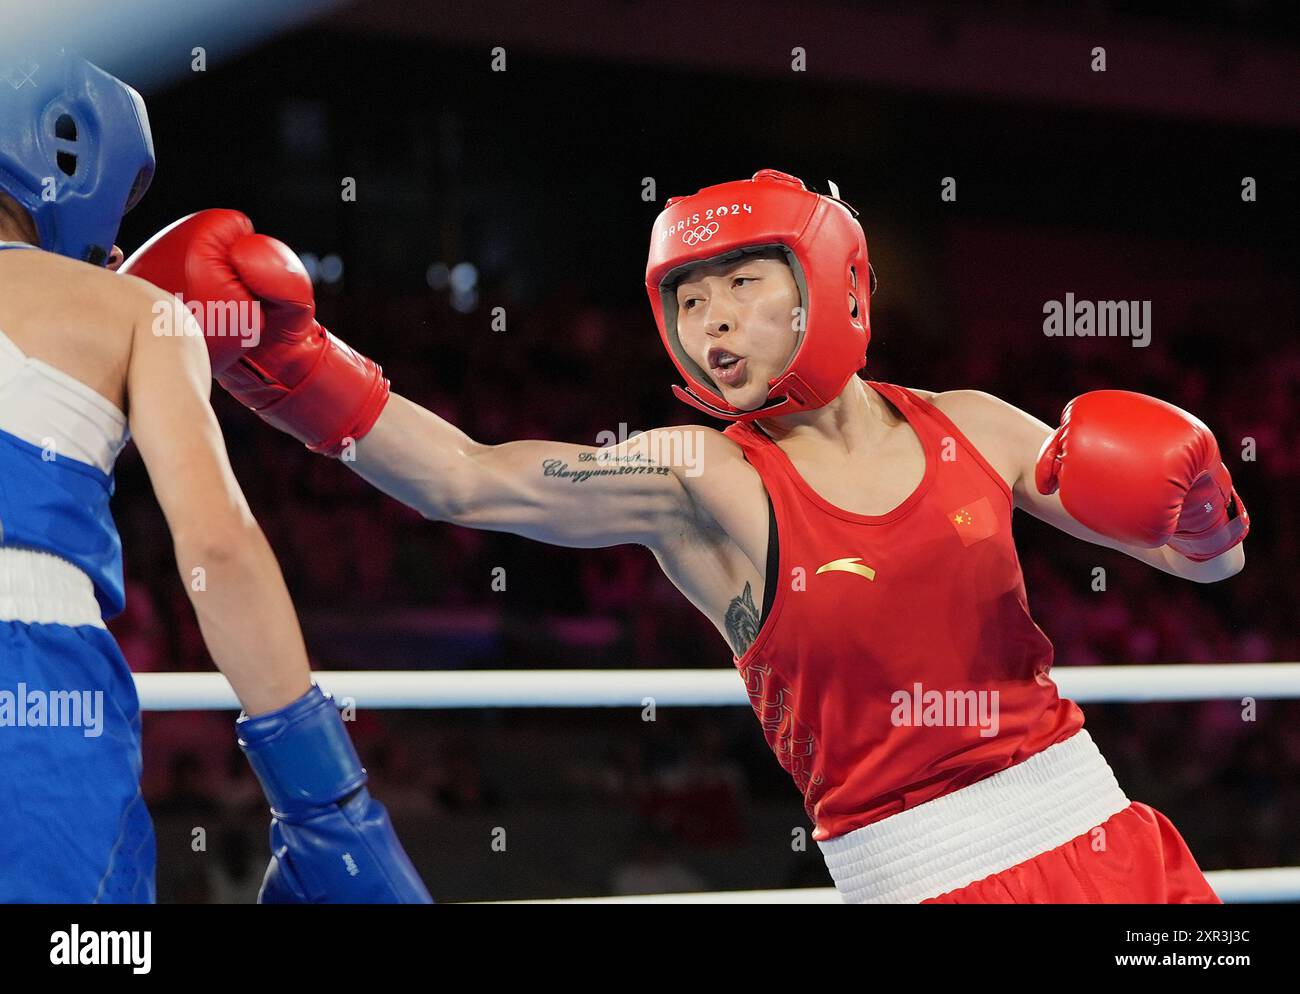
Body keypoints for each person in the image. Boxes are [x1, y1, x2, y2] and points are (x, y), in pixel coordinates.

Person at [125, 168, 1248, 903]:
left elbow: (1203, 560)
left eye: (741, 284)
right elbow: (468, 479)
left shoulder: (973, 422)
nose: (711, 320)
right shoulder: (707, 477)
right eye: (688, 298)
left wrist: (1202, 510)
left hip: (1117, 844)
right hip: (928, 878)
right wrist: (289, 367)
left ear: (829, 285)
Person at [0, 47, 430, 903]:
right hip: (34, 689)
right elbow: (218, 551)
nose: (119, 241)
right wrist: (325, 803)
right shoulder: (132, 310)